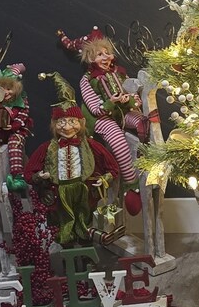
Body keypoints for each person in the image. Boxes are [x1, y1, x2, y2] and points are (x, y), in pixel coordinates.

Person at [58, 28, 149, 216]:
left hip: (119, 112)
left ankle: (146, 157)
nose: (105, 56)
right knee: (117, 138)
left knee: (142, 121)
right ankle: (131, 186)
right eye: (100, 54)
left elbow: (129, 96)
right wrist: (112, 102)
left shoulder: (119, 73)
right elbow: (95, 108)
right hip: (99, 118)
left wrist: (131, 100)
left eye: (107, 52)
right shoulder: (87, 80)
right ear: (91, 59)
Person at [24, 93, 119, 247]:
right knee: (62, 223)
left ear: (81, 123)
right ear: (54, 124)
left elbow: (113, 168)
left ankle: (86, 250)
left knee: (85, 221)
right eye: (62, 122)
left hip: (85, 192)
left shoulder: (91, 145)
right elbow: (29, 173)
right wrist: (38, 177)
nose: (67, 127)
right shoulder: (47, 148)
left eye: (72, 122)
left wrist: (104, 179)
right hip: (59, 194)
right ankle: (67, 251)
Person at [0, 62, 33, 195]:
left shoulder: (21, 100)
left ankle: (17, 177)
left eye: (9, 88)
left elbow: (24, 115)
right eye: (3, 88)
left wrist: (14, 126)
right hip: (0, 132)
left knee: (15, 143)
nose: (6, 92)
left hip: (16, 130)